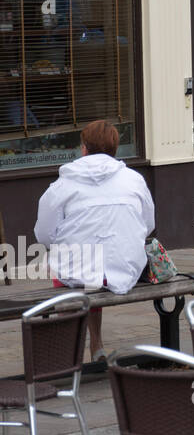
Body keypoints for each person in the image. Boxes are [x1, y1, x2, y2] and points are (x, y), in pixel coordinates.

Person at [34, 120, 155, 363]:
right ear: (115, 149)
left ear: (84, 149)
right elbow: (148, 225)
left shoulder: (63, 184)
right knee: (94, 265)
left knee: (75, 263)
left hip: (79, 271)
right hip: (126, 269)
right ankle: (96, 344)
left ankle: (69, 350)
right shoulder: (134, 179)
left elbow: (44, 235)